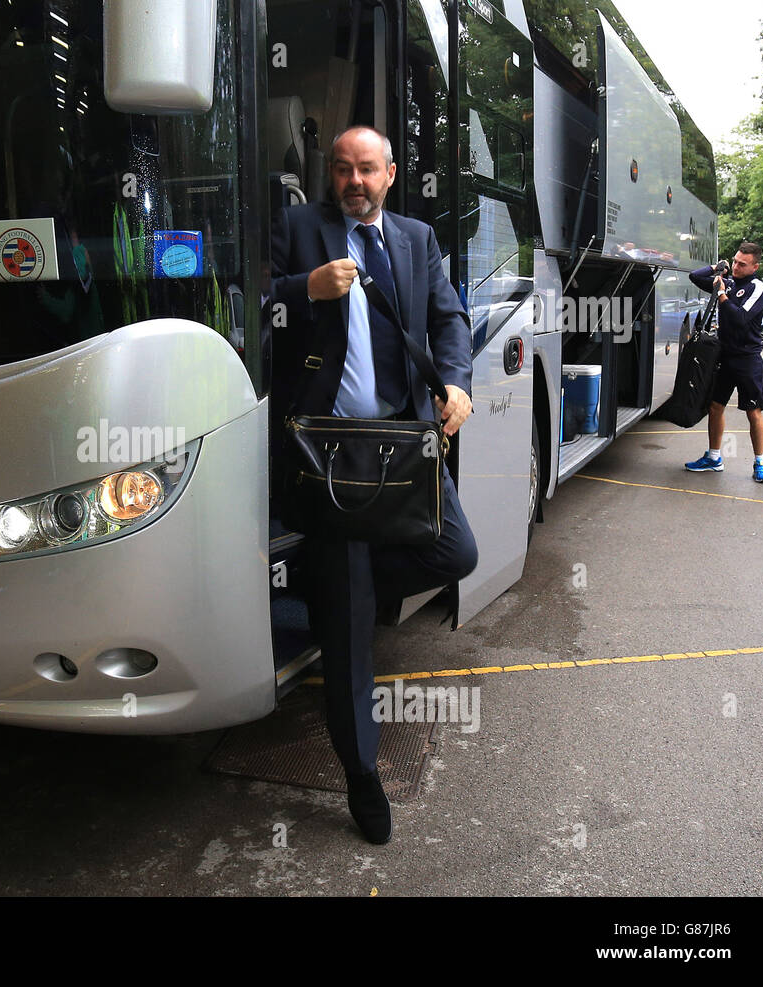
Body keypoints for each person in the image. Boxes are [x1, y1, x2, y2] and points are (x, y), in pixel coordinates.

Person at [271, 126, 477, 844]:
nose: (354, 181)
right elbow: (249, 304)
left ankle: (330, 581)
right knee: (352, 640)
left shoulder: (417, 240)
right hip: (330, 456)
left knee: (455, 554)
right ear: (330, 175)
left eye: (367, 170)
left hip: (404, 448)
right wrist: (304, 288)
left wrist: (456, 380)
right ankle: (362, 775)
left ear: (391, 174)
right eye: (342, 170)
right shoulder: (299, 229)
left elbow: (450, 318)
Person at [683, 242, 763, 482]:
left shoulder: (757, 288)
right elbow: (695, 276)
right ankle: (714, 458)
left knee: (753, 412)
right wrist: (717, 266)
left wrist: (721, 294)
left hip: (747, 359)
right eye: (734, 261)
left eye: (742, 264)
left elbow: (740, 318)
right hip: (724, 357)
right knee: (715, 406)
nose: (736, 267)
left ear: (755, 267)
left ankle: (760, 463)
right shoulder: (729, 281)